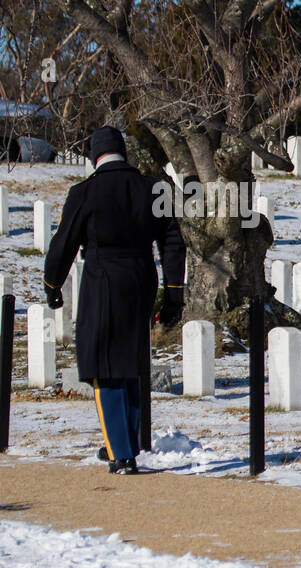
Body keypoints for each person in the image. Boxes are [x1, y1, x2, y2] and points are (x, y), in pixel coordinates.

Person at [43, 125, 187, 474]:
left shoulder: (84, 192)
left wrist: (52, 285)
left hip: (103, 281)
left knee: (103, 366)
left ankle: (120, 453)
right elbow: (172, 240)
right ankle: (126, 442)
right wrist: (173, 293)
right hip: (141, 279)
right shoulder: (152, 189)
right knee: (131, 362)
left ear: (95, 156)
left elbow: (63, 242)